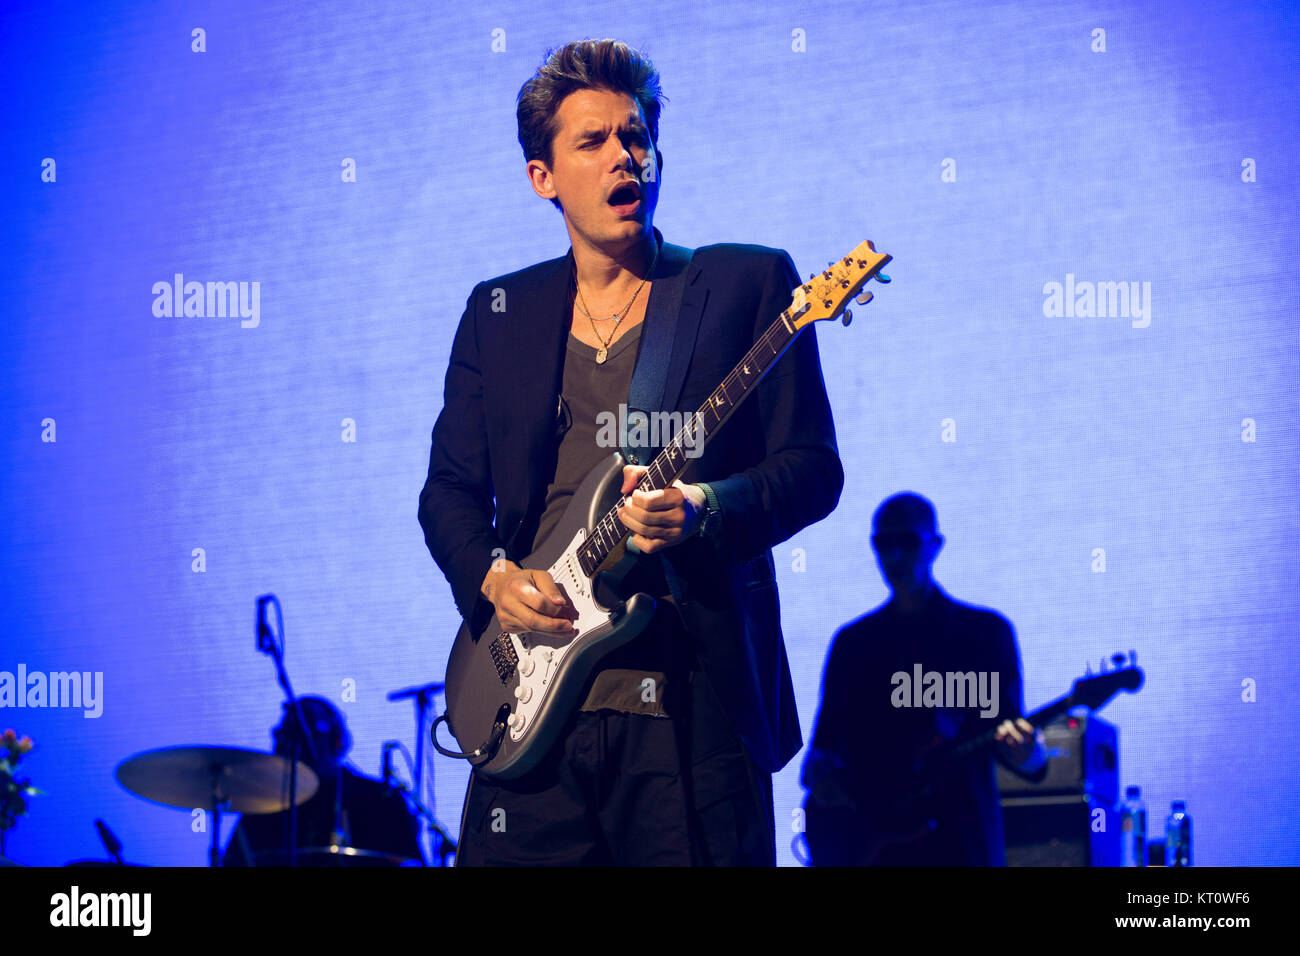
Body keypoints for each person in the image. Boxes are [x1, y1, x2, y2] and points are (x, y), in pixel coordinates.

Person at [418, 38, 842, 865]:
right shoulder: (498, 312)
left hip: (689, 712)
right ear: (542, 176)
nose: (627, 157)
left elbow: (812, 468)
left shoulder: (744, 284)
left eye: (638, 135)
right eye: (595, 141)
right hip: (525, 713)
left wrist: (706, 508)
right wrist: (496, 578)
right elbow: (448, 495)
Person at [802, 493, 1047, 865]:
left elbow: (1011, 735)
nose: (895, 556)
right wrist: (829, 787)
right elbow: (821, 751)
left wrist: (1030, 754)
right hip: (875, 852)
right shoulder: (853, 645)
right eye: (885, 543)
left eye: (908, 541)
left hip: (959, 846)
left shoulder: (983, 635)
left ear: (935, 546)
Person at [223, 696, 423, 866]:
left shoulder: (379, 800)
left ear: (337, 743)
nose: (301, 754)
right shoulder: (263, 806)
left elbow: (409, 862)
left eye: (308, 744)